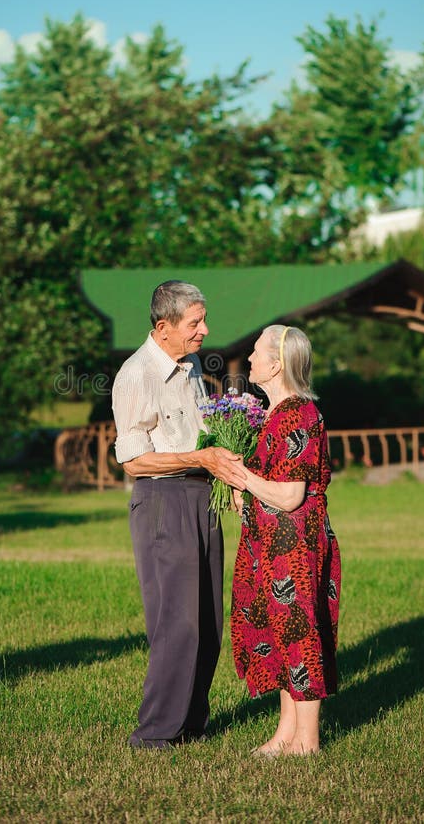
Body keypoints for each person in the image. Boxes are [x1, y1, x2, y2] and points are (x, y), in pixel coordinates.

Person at [112, 280, 246, 749]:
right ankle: (154, 734)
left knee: (208, 621)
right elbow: (133, 461)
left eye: (203, 319)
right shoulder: (135, 375)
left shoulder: (190, 366)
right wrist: (200, 459)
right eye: (195, 322)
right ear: (163, 326)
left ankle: (190, 726)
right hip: (162, 501)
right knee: (177, 623)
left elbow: (201, 433)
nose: (204, 330)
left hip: (201, 496)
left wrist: (227, 472)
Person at [230, 324, 341, 757]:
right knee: (279, 634)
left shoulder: (298, 414)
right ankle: (285, 733)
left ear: (276, 365)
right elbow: (267, 485)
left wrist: (241, 476)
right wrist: (241, 489)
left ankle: (307, 741)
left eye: (256, 351)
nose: (249, 358)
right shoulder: (274, 414)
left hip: (292, 544)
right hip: (271, 541)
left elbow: (291, 495)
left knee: (298, 633)